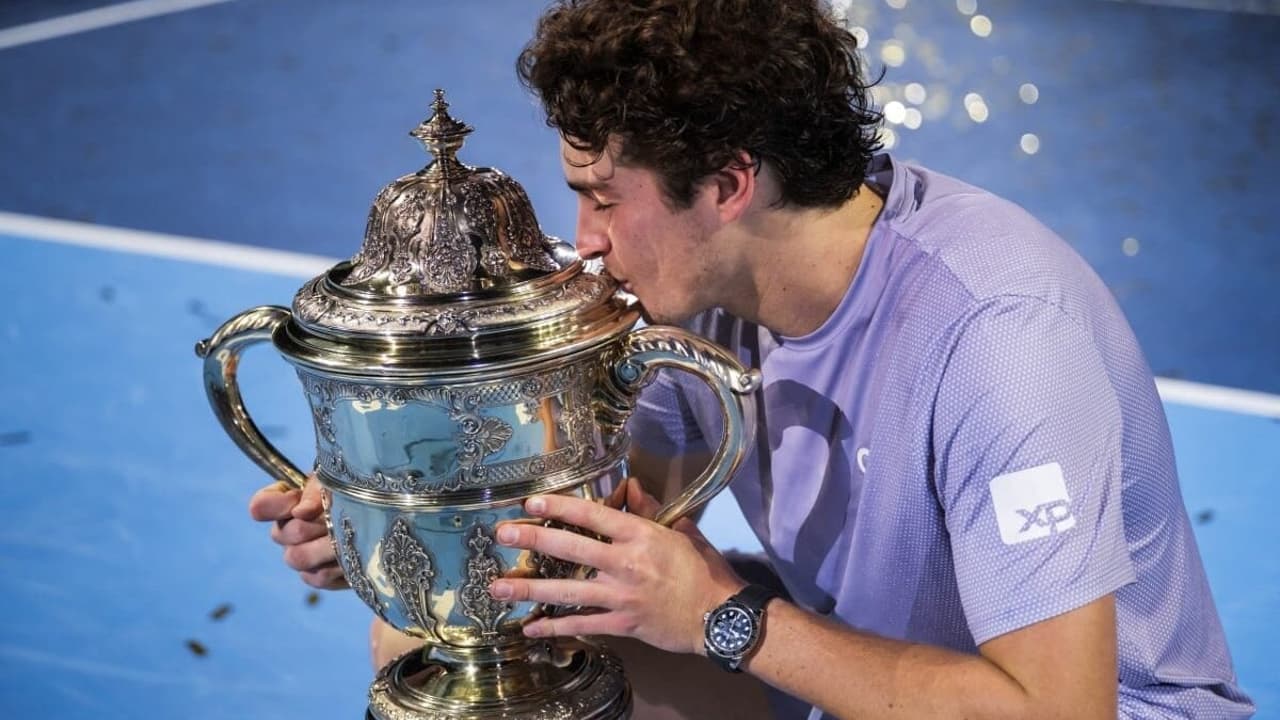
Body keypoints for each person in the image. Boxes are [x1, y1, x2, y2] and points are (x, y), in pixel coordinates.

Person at [249, 1, 1255, 717]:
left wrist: (728, 622)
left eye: (604, 196)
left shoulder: (999, 342)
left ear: (727, 184)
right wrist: (412, 538)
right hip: (864, 672)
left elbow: (1055, 715)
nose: (584, 238)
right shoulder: (707, 293)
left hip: (1090, 706)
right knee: (448, 647)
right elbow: (600, 520)